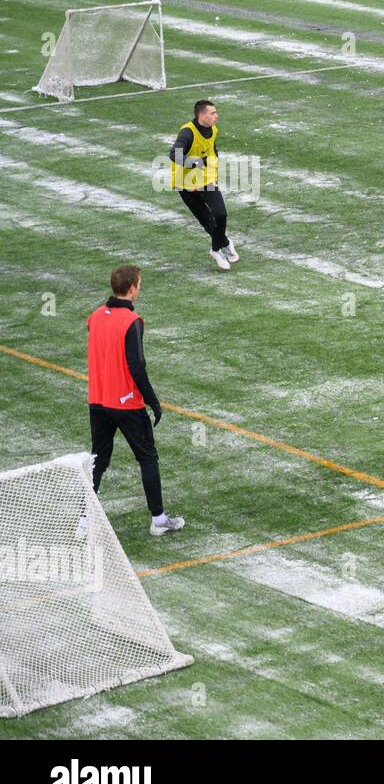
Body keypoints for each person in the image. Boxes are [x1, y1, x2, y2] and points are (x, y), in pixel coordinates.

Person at [87, 265, 185, 536]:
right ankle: (158, 519)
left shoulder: (94, 317)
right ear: (132, 288)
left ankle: (84, 521)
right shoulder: (133, 322)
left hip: (98, 400)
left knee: (98, 459)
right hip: (126, 403)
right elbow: (136, 366)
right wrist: (153, 401)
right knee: (147, 458)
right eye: (139, 284)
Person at [170, 99, 237, 270]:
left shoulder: (213, 130)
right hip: (185, 184)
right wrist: (196, 162)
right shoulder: (187, 133)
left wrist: (213, 172)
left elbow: (212, 151)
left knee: (221, 214)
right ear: (202, 115)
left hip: (206, 180)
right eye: (213, 113)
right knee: (208, 222)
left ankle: (215, 250)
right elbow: (174, 155)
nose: (217, 116)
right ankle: (226, 243)